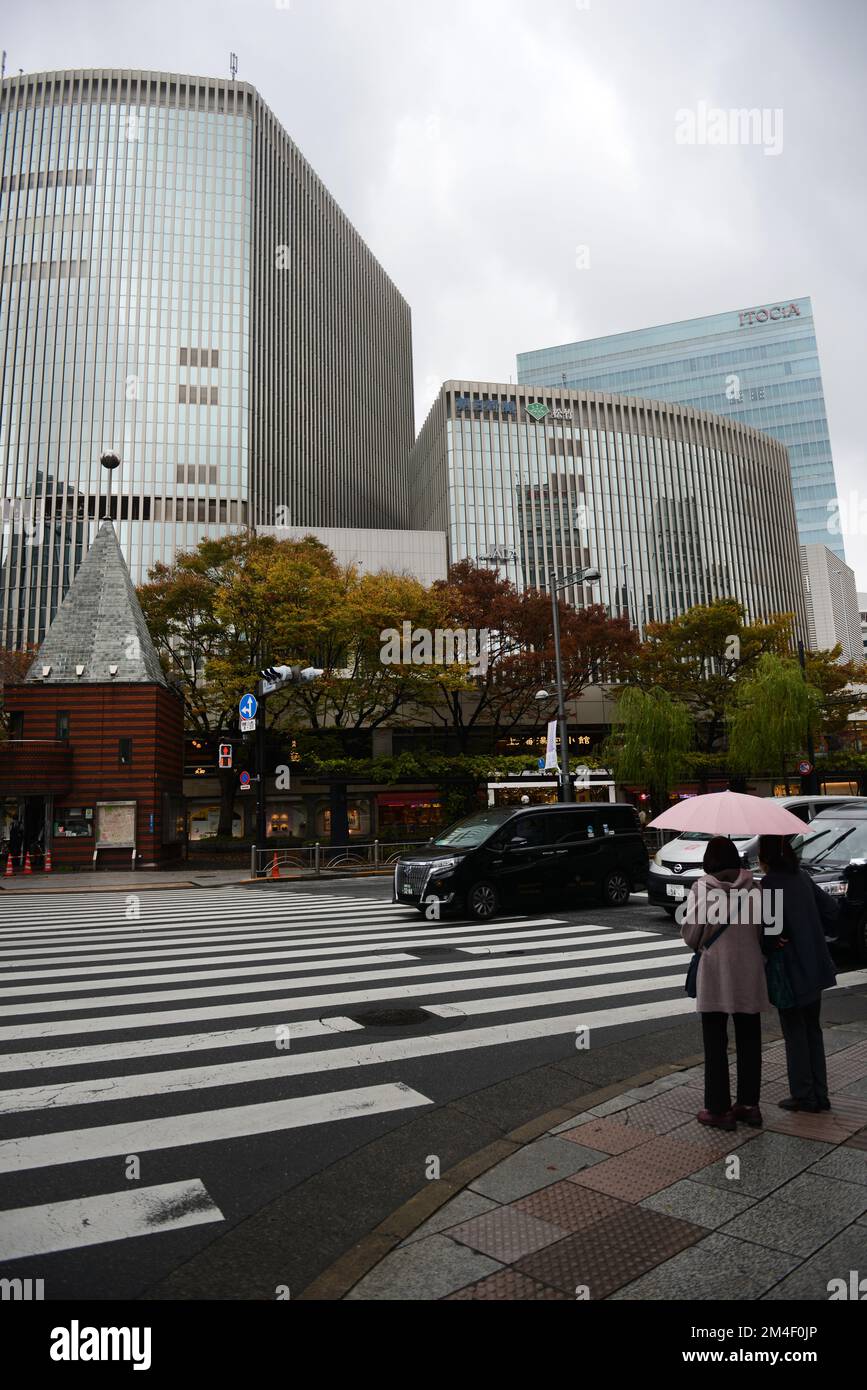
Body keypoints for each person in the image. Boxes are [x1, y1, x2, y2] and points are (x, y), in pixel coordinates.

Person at [681, 835, 771, 1129]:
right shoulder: (756, 888)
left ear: (709, 862)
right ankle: (748, 1104)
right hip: (749, 972)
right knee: (749, 1038)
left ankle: (718, 1110)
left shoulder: (702, 889)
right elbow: (763, 931)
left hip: (716, 973)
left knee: (715, 1041)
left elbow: (692, 936)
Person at [758, 834, 838, 1113]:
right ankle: (821, 1094)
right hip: (815, 965)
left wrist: (774, 939)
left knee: (795, 1031)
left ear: (765, 858)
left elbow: (770, 933)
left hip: (791, 969)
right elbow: (832, 910)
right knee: (812, 1029)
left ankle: (804, 1095)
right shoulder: (802, 876)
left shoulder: (770, 884)